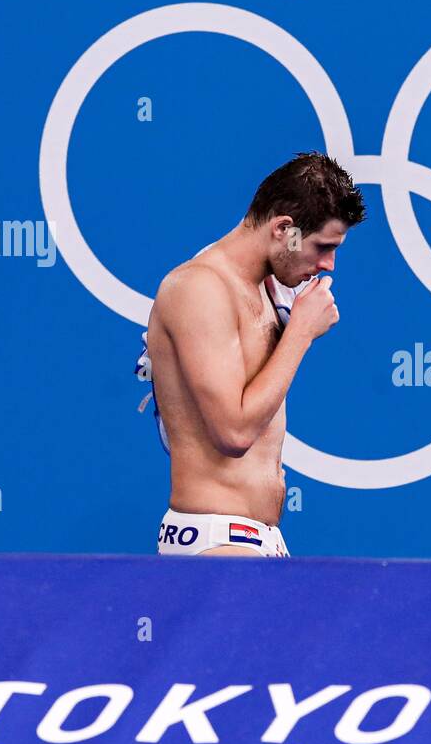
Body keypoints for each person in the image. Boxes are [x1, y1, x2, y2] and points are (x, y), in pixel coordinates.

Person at [141, 152, 365, 557]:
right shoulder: (200, 288)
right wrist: (300, 331)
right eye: (322, 246)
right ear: (284, 228)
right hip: (216, 543)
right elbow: (234, 433)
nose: (328, 265)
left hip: (258, 542)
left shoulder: (267, 289)